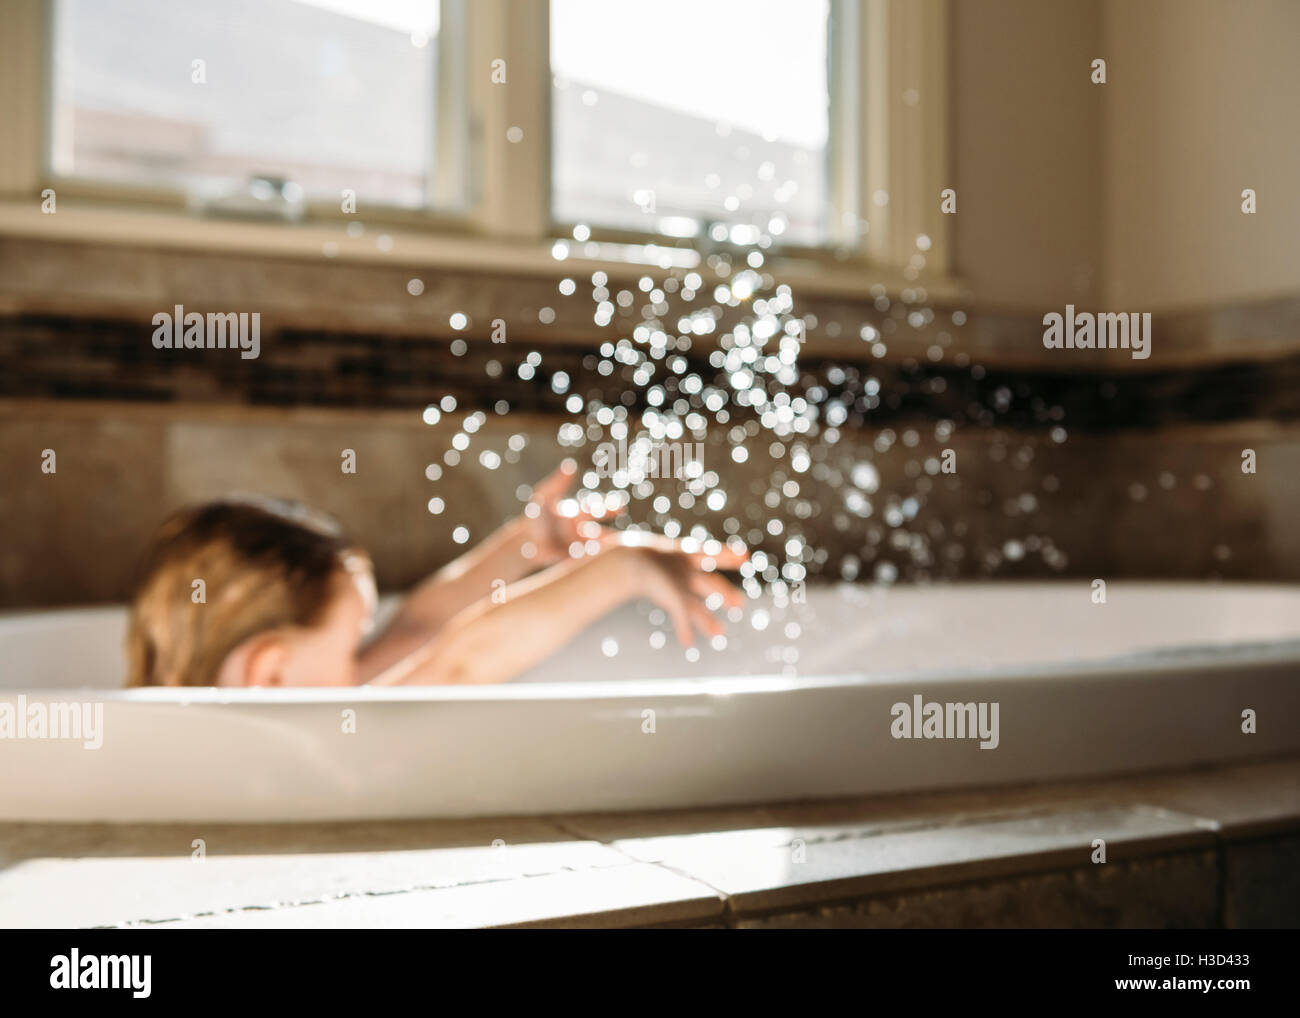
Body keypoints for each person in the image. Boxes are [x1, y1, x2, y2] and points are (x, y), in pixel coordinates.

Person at [124, 461, 745, 687]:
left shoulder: (265, 689)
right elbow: (456, 663)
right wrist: (620, 568)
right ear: (271, 671)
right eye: (350, 645)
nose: (368, 658)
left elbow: (418, 627)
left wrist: (522, 548)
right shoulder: (295, 748)